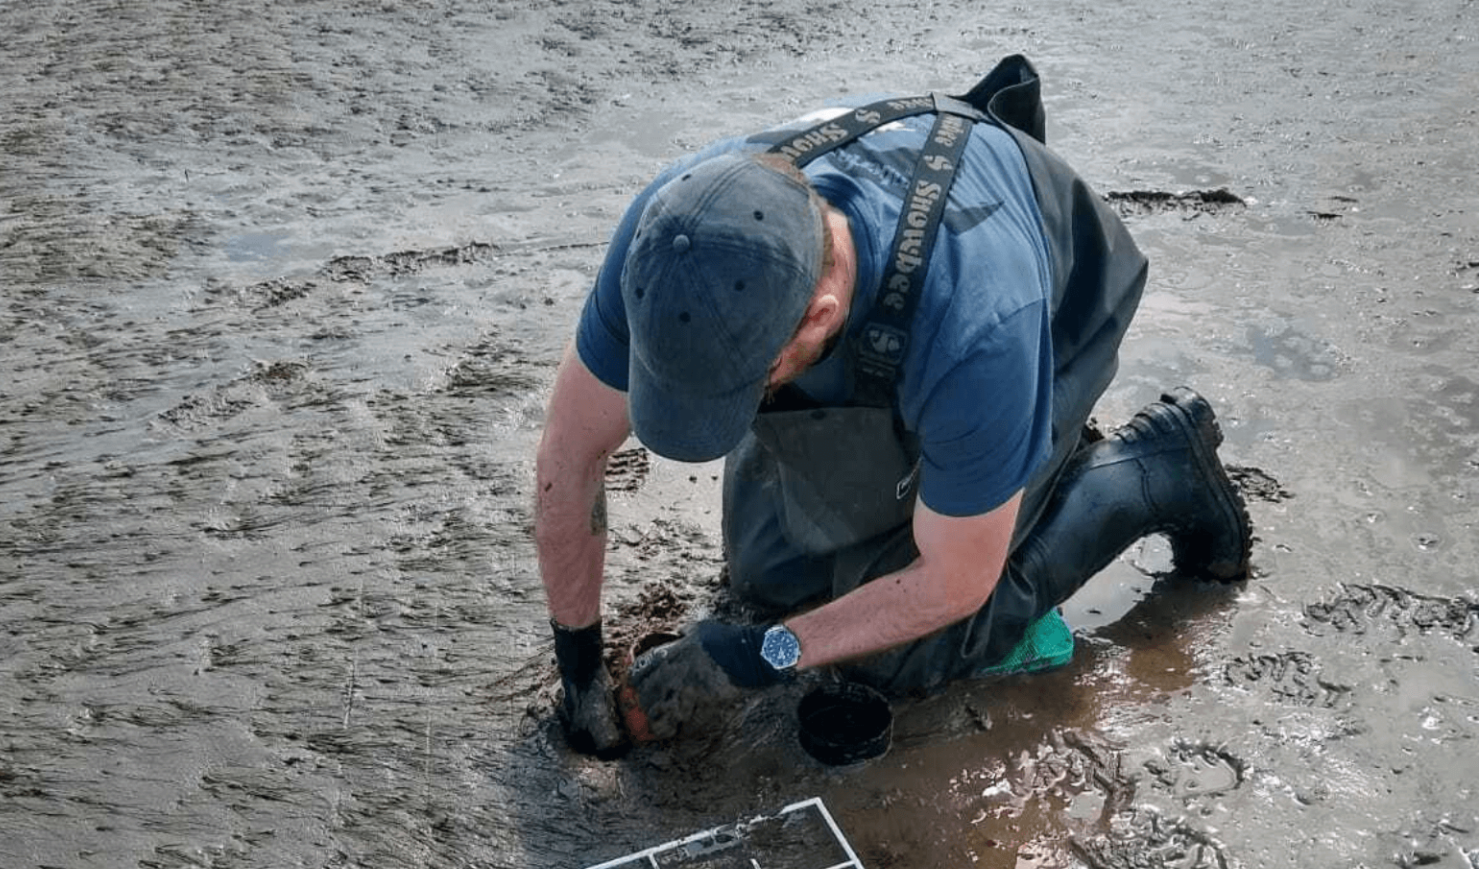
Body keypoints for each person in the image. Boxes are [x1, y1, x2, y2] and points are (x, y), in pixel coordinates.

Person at [533, 59, 1252, 756]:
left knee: (898, 653)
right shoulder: (674, 243)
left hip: (1059, 316)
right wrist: (579, 665)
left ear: (816, 318)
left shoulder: (980, 327)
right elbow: (571, 453)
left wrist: (761, 656)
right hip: (892, 326)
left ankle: (1151, 467)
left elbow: (952, 582)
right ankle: (979, 468)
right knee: (767, 581)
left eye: (746, 383)